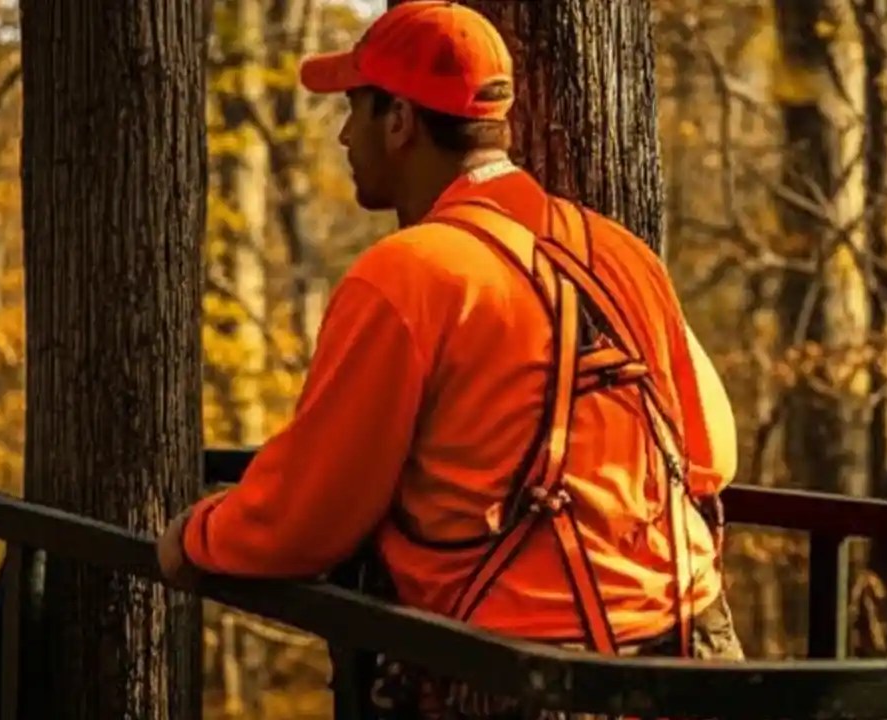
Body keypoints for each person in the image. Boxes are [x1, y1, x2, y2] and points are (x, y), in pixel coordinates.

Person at [156, 1, 744, 717]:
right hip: (699, 658)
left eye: (355, 109)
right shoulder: (619, 253)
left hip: (530, 676)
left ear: (399, 121)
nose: (344, 134)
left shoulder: (407, 274)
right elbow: (712, 456)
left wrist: (193, 540)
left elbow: (307, 517)